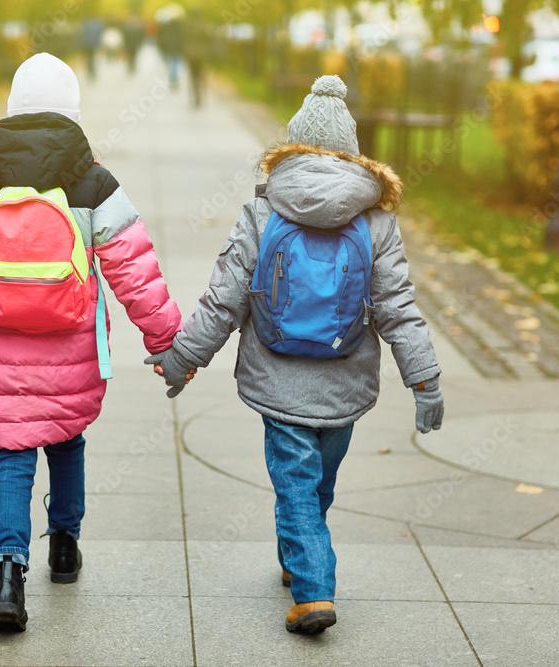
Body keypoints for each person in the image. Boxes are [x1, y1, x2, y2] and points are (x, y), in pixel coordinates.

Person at [146, 76, 444, 634]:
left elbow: (225, 298)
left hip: (278, 377)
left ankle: (312, 593)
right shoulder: (376, 220)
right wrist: (423, 378)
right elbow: (397, 308)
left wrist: (183, 356)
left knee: (296, 484)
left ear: (292, 148)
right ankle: (303, 556)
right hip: (347, 377)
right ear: (352, 153)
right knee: (315, 483)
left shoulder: (263, 213)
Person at [0, 53, 184, 632]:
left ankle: (7, 576)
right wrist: (167, 340)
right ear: (73, 113)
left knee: (12, 459)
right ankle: (64, 545)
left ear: (11, 110)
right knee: (66, 441)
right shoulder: (93, 182)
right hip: (72, 347)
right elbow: (135, 270)